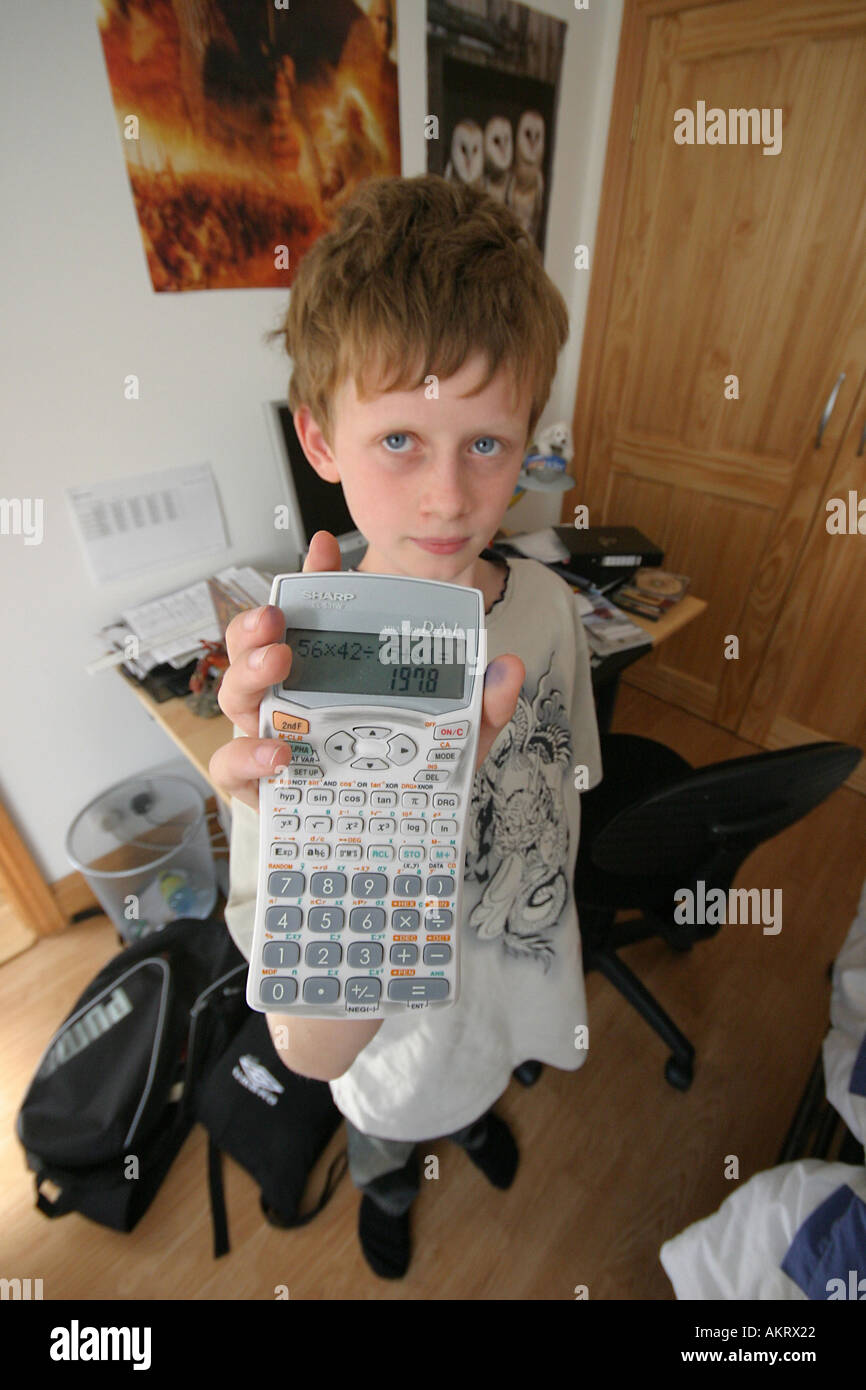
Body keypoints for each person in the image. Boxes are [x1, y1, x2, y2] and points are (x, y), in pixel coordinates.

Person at [210, 173, 603, 1279]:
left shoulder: (551, 614)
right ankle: (387, 1179)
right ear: (320, 439)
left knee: (479, 1082)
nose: (446, 497)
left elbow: (558, 796)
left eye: (486, 443)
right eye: (397, 441)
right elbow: (311, 1040)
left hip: (514, 981)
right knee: (390, 1121)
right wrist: (304, 807)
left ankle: (472, 1117)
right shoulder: (296, 673)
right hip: (384, 1039)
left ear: (527, 437)